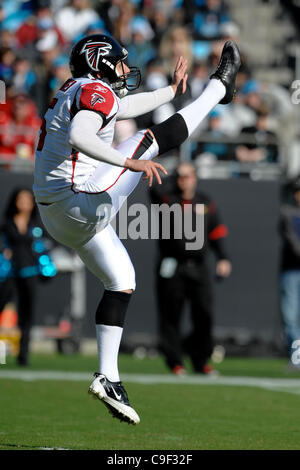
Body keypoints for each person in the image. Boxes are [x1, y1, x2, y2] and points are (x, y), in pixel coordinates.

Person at [33, 33, 241, 424]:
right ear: (101, 62)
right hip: (77, 199)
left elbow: (121, 106)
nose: (127, 69)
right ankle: (218, 88)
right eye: (121, 62)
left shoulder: (78, 87)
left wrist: (169, 92)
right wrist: (127, 164)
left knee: (122, 278)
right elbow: (80, 133)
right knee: (149, 141)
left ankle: (107, 376)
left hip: (58, 213)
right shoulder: (94, 89)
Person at [150, 162, 231, 376]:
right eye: (181, 177)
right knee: (171, 315)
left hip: (198, 267)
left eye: (188, 176)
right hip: (172, 265)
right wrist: (174, 175)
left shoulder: (204, 202)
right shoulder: (168, 199)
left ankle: (201, 360)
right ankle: (175, 362)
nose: (184, 180)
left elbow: (216, 232)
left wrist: (223, 257)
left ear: (195, 177)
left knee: (204, 314)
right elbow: (154, 191)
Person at [0, 188, 56, 366]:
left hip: (30, 273)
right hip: (10, 273)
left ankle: (23, 355)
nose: (24, 203)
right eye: (20, 199)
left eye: (27, 199)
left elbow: (48, 245)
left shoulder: (37, 226)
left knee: (27, 315)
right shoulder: (6, 224)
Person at [280, 179, 300, 368]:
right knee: (291, 316)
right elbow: (292, 241)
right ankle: (296, 357)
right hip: (292, 272)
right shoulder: (288, 213)